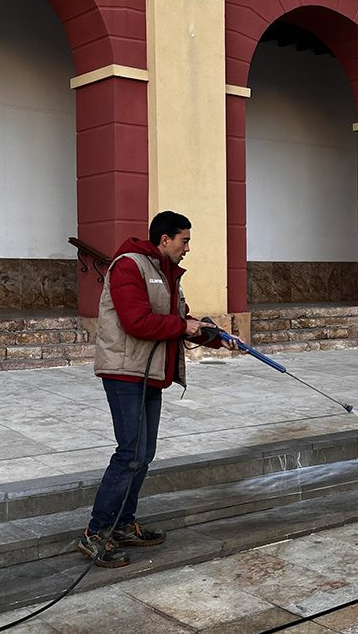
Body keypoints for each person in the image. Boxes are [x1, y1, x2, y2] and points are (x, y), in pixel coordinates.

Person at [78, 210, 236, 567]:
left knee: (144, 454)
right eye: (185, 240)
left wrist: (221, 339)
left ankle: (122, 524)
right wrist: (185, 326)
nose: (188, 248)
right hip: (124, 373)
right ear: (165, 240)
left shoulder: (166, 274)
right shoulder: (129, 267)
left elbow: (185, 320)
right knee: (130, 452)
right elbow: (136, 321)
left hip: (149, 374)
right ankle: (96, 531)